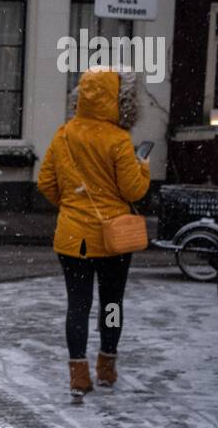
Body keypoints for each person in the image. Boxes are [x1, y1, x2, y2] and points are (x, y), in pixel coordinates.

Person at [37, 66, 150, 401]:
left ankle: (78, 375)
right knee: (111, 303)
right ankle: (106, 367)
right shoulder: (118, 140)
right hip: (113, 239)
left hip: (74, 238)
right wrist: (142, 166)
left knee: (78, 305)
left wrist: (71, 205)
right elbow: (133, 191)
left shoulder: (63, 134)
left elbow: (45, 183)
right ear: (118, 99)